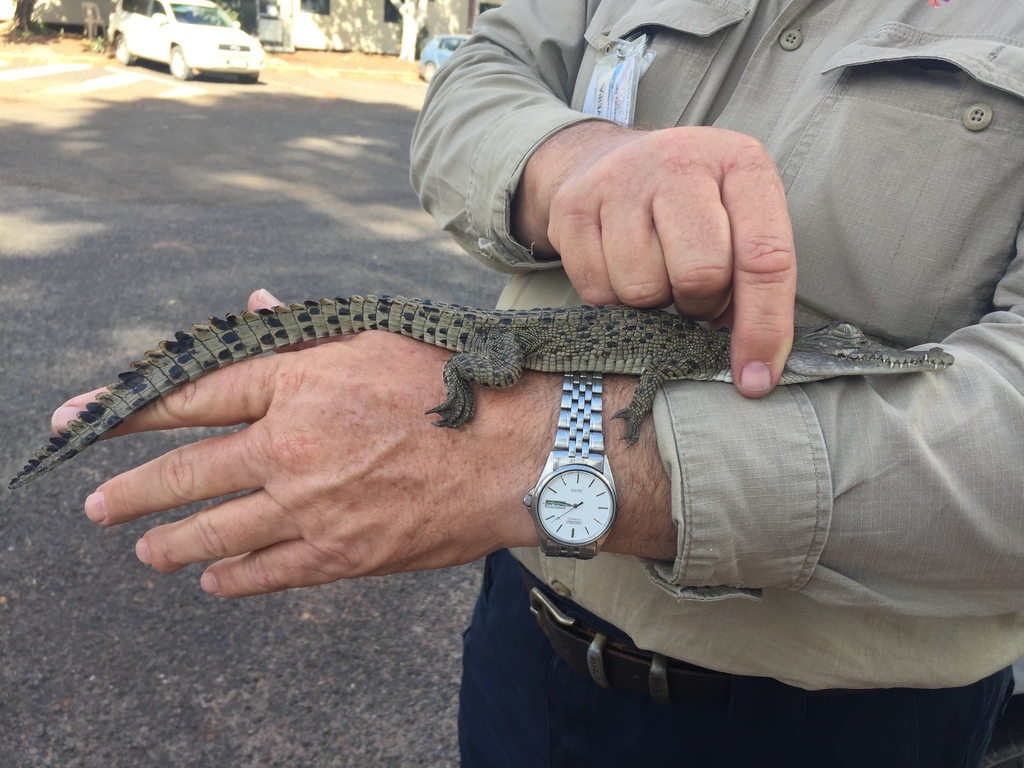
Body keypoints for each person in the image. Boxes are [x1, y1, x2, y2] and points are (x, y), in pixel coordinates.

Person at [53, 0, 1024, 765]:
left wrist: (533, 445)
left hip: (849, 723)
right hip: (522, 633)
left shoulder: (683, 356)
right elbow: (477, 70)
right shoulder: (679, 354)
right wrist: (567, 160)